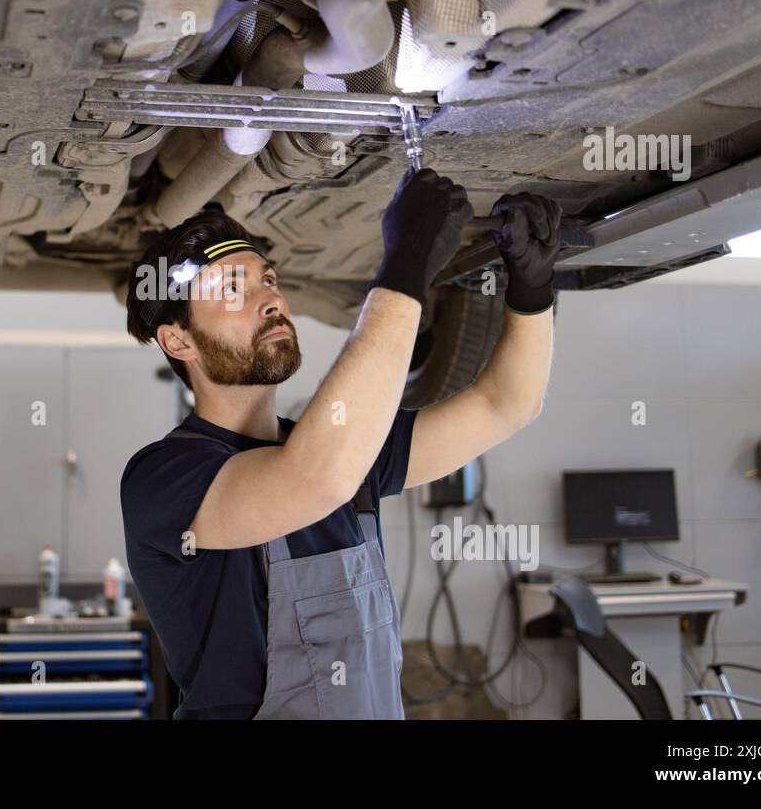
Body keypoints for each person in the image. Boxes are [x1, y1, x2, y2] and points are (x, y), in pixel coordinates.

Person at [120, 168, 562, 718]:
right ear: (177, 339)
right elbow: (315, 479)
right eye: (233, 288)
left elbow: (505, 404)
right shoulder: (164, 477)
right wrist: (405, 264)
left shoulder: (345, 448)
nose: (269, 300)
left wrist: (533, 290)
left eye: (269, 279)